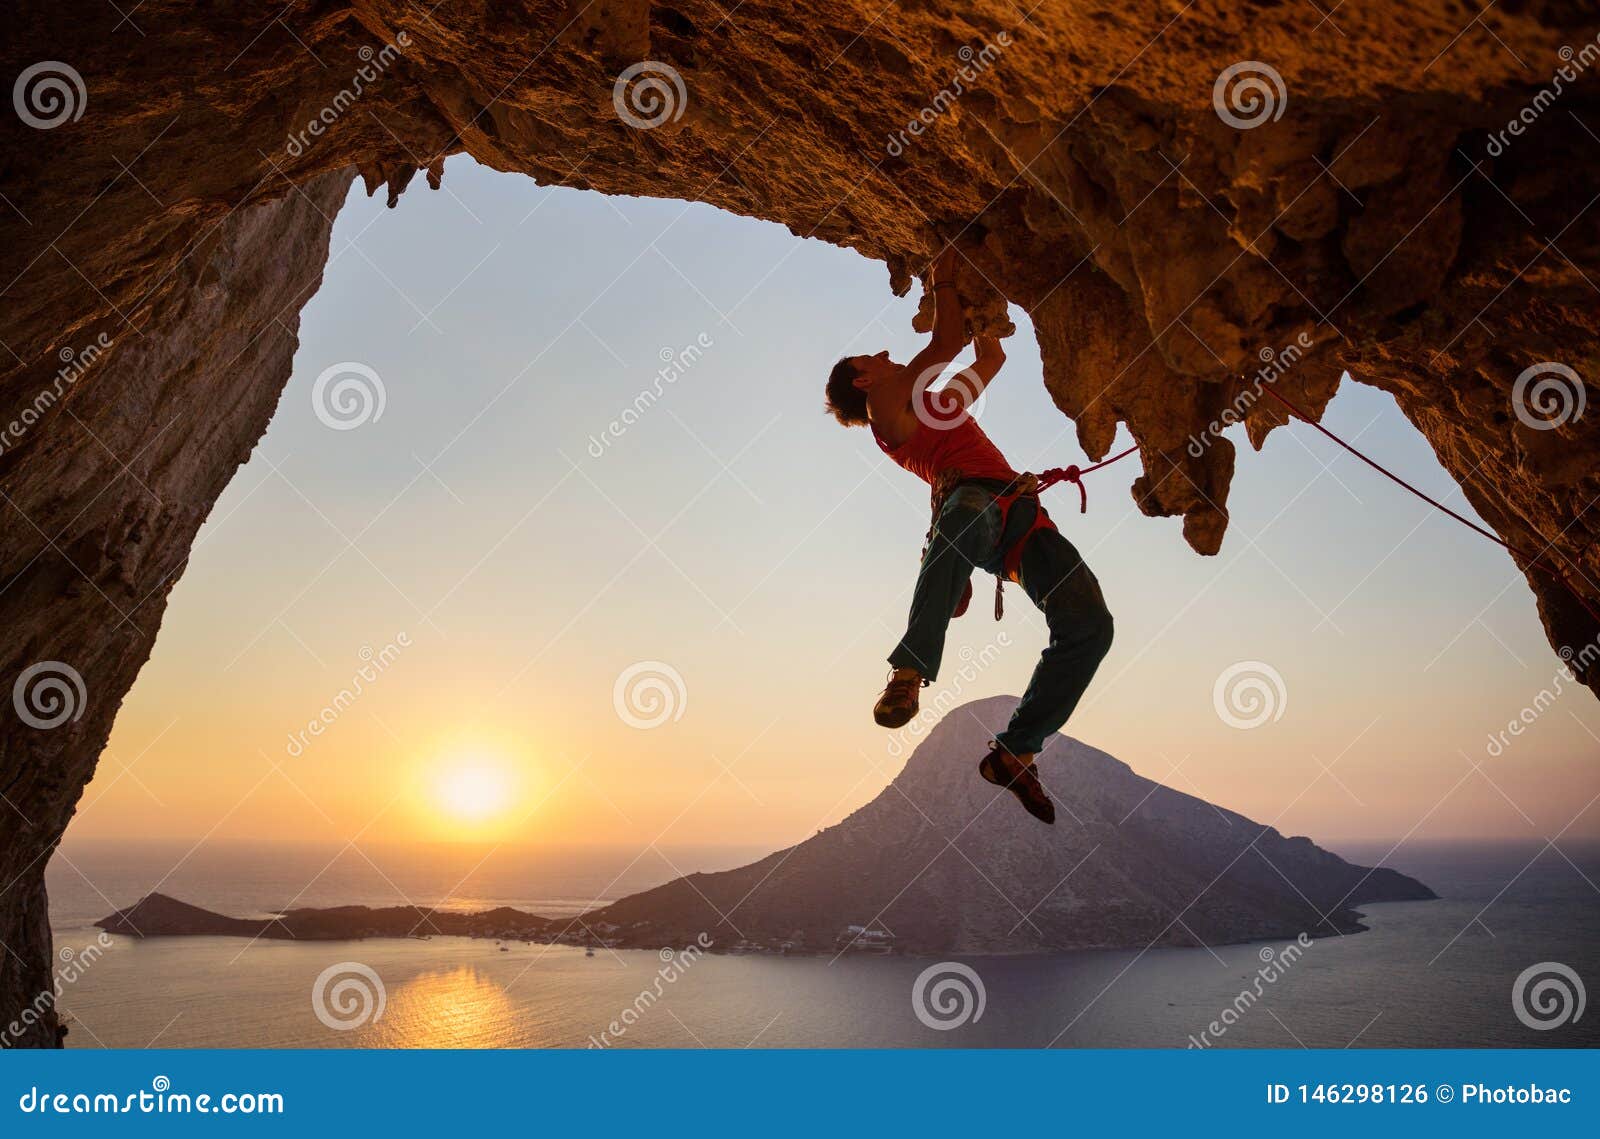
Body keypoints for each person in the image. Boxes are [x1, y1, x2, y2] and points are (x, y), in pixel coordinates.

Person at [823, 248, 1115, 824]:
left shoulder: (936, 403)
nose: (885, 352)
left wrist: (987, 317)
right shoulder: (885, 406)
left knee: (1090, 625)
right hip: (972, 505)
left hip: (1020, 513)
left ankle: (1017, 751)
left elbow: (985, 360)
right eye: (872, 356)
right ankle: (909, 671)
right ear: (863, 378)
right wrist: (945, 278)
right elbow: (943, 344)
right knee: (959, 523)